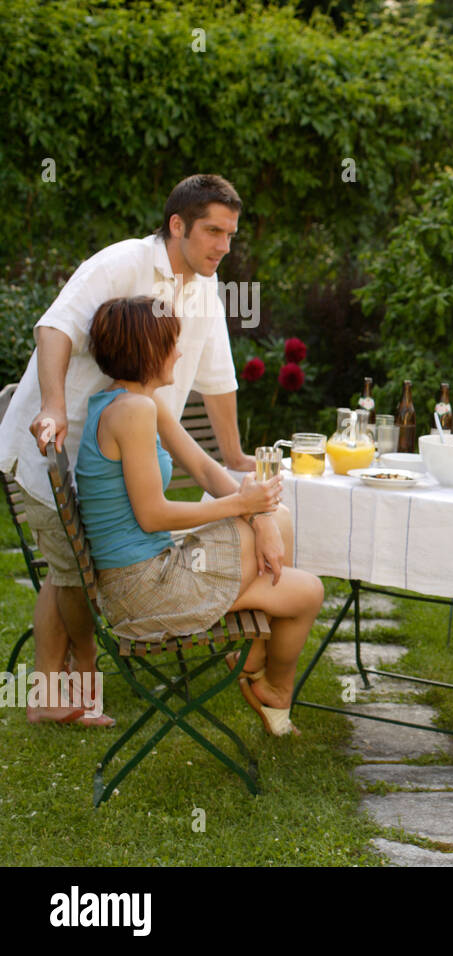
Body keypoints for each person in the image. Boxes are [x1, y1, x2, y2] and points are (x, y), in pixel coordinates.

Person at [0, 174, 262, 726]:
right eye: (213, 231)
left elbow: (217, 377)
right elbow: (55, 329)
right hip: (57, 443)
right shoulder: (121, 263)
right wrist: (52, 405)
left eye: (231, 235)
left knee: (73, 568)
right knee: (70, 569)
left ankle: (61, 689)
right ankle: (62, 690)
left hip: (121, 448)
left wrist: (234, 458)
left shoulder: (206, 291)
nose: (224, 245)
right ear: (177, 224)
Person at [76, 296, 323, 736]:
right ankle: (263, 677)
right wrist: (243, 507)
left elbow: (207, 468)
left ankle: (266, 678)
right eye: (172, 342)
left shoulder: (134, 402)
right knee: (298, 579)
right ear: (147, 349)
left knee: (301, 579)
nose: (179, 351)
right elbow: (152, 516)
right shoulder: (132, 412)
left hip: (152, 576)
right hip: (144, 593)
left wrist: (259, 515)